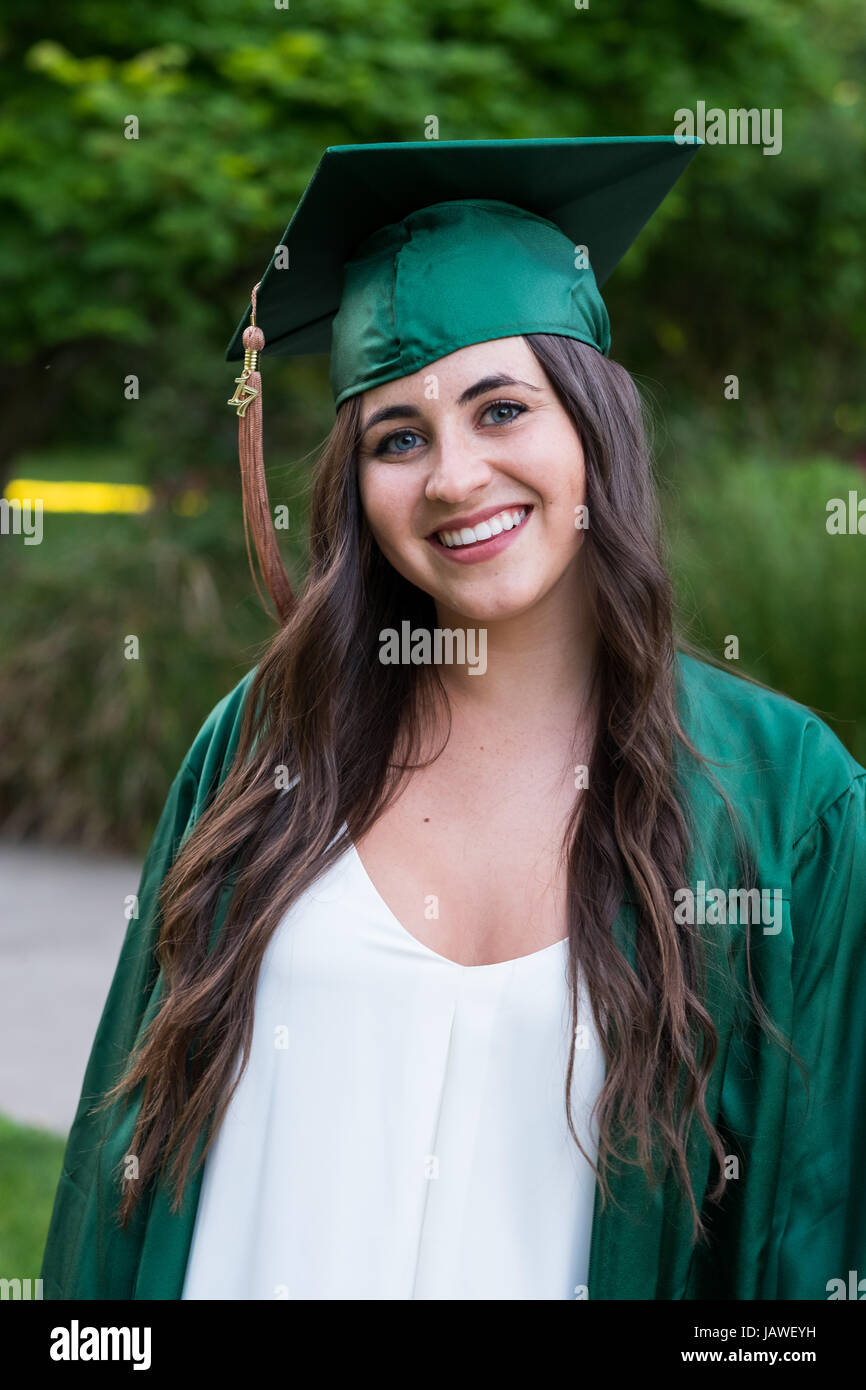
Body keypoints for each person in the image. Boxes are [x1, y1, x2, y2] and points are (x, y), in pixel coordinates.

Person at [41, 137, 866, 1301]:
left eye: (500, 409)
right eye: (398, 437)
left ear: (592, 424)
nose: (452, 476)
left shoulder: (780, 797)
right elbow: (118, 1166)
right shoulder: (268, 741)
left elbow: (807, 1217)